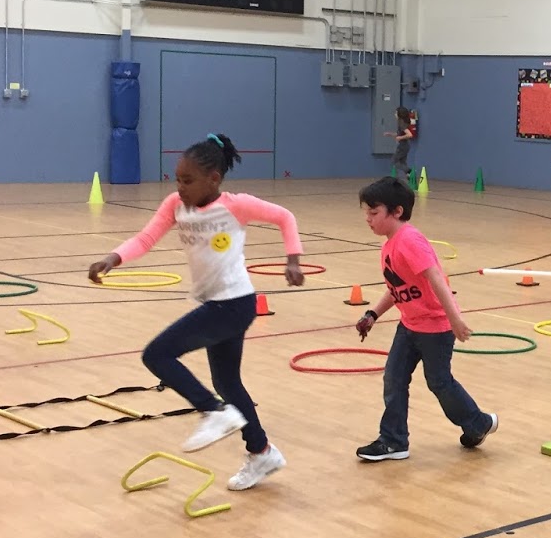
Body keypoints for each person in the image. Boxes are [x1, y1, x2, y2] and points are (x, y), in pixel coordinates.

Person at [89, 134, 302, 492]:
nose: (180, 187)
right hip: (217, 304)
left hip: (233, 304)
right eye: (178, 179)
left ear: (214, 179)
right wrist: (114, 258)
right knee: (228, 383)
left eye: (188, 181)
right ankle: (261, 450)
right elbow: (145, 238)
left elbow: (285, 217)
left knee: (157, 354)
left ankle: (213, 411)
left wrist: (293, 260)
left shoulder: (237, 205)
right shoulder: (176, 205)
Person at [354, 176, 496, 461]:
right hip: (409, 326)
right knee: (394, 379)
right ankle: (393, 441)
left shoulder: (410, 240)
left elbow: (436, 279)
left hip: (435, 328)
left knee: (439, 382)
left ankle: (478, 423)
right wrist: (372, 314)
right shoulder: (389, 245)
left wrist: (455, 319)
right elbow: (397, 289)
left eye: (374, 213)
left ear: (396, 212)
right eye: (366, 213)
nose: (368, 219)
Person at [387, 107, 417, 186]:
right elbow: (400, 133)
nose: (395, 114)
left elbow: (409, 135)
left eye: (396, 113)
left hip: (403, 146)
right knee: (403, 162)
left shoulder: (401, 123)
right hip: (405, 145)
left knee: (394, 160)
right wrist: (391, 134)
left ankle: (409, 171)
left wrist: (400, 138)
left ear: (399, 114)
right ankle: (410, 177)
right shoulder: (402, 122)